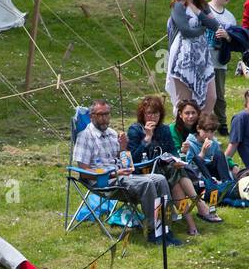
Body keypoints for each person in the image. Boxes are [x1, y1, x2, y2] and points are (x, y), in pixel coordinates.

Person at [73, 99, 173, 243]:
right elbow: (83, 172)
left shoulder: (113, 133)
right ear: (92, 116)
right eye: (100, 114)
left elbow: (126, 162)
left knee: (160, 179)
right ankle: (153, 232)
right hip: (103, 181)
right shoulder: (85, 137)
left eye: (107, 114)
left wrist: (123, 149)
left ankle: (166, 227)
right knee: (146, 183)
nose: (104, 118)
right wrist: (115, 173)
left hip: (123, 177)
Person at [127, 95, 216, 236]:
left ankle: (191, 224)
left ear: (160, 114)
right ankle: (199, 206)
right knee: (175, 175)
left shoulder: (163, 130)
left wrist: (176, 160)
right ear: (142, 115)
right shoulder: (135, 130)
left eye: (155, 113)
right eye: (149, 113)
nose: (152, 117)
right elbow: (133, 158)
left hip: (164, 170)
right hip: (143, 171)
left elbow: (172, 151)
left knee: (176, 175)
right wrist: (147, 139)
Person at [165, 0, 221, 113]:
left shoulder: (202, 5)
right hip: (183, 54)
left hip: (202, 54)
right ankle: (183, 132)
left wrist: (200, 14)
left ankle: (204, 130)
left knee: (211, 97)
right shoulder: (178, 5)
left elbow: (215, 25)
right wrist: (203, 28)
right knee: (185, 102)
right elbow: (186, 30)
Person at [180, 112, 233, 205]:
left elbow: (220, 160)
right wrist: (203, 152)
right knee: (197, 158)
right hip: (199, 174)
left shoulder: (214, 143)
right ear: (198, 128)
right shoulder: (190, 143)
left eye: (211, 132)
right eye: (206, 131)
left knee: (220, 154)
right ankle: (211, 186)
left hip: (212, 171)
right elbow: (190, 167)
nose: (208, 135)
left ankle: (227, 183)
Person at [207, 0, 238, 134]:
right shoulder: (203, 10)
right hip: (202, 60)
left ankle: (222, 123)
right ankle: (202, 121)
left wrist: (227, 36)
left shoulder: (230, 17)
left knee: (219, 94)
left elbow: (236, 40)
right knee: (202, 92)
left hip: (219, 61)